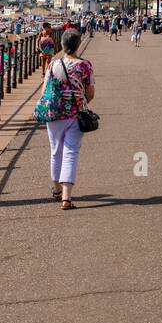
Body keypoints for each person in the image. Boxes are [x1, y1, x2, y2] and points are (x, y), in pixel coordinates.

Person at [45, 28, 94, 210]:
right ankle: (66, 197)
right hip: (75, 113)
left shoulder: (53, 65)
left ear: (62, 44)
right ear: (78, 44)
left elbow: (45, 92)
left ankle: (56, 189)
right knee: (71, 153)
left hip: (54, 114)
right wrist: (80, 102)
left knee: (55, 151)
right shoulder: (84, 65)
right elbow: (90, 92)